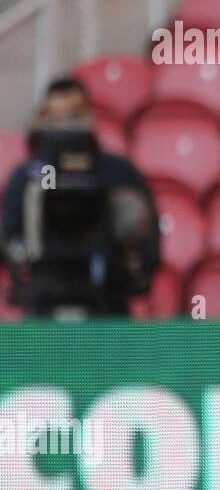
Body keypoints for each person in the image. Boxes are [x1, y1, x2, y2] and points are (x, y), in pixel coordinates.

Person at [1, 77, 159, 317]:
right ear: (43, 119)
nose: (65, 127)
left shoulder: (118, 172)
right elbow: (9, 233)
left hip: (108, 298)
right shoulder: (27, 177)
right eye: (56, 118)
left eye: (73, 116)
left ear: (88, 116)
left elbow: (147, 233)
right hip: (44, 297)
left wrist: (138, 272)